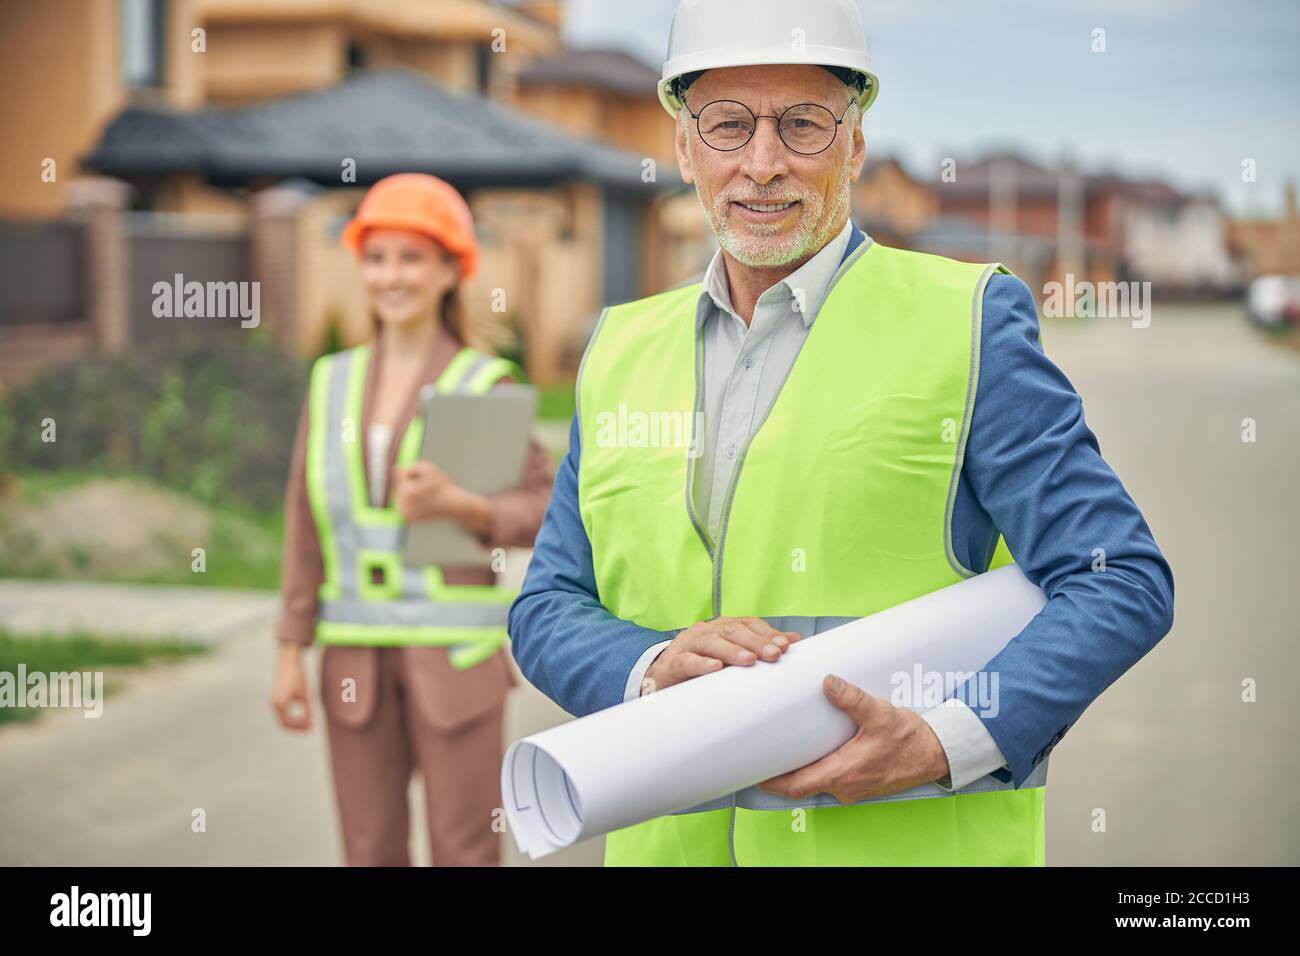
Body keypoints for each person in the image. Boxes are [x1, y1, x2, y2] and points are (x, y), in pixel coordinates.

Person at [508, 0, 1174, 866]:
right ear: (683, 148)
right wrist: (653, 661)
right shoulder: (619, 350)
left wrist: (945, 741)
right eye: (727, 125)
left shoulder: (965, 322)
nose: (763, 163)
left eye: (804, 125)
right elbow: (548, 604)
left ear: (855, 144)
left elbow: (1117, 576)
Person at [270, 173, 552, 866]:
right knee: (368, 851)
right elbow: (305, 527)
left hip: (454, 667)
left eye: (411, 257)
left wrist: (468, 509)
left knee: (464, 852)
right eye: (377, 257)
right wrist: (289, 650)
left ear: (452, 269)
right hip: (354, 666)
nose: (390, 275)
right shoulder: (331, 380)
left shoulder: (481, 382)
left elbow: (550, 509)